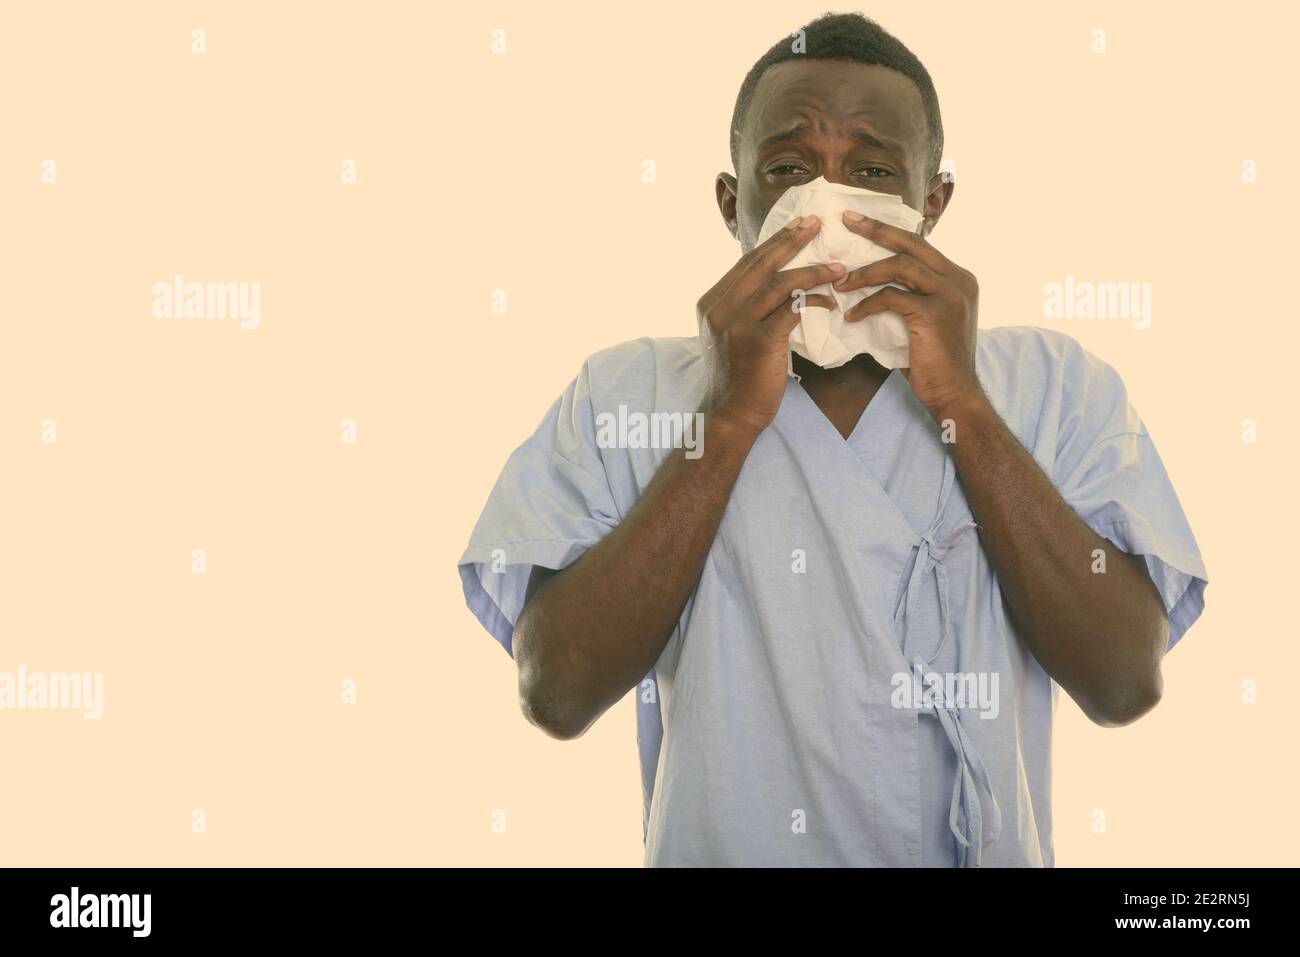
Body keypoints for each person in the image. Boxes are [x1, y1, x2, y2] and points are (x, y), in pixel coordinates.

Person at [456, 12, 1208, 866]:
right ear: (731, 201)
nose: (825, 201)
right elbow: (554, 689)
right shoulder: (626, 392)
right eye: (786, 169)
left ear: (933, 202)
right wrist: (729, 416)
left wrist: (960, 399)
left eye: (874, 171)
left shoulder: (1052, 385)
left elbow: (1125, 680)